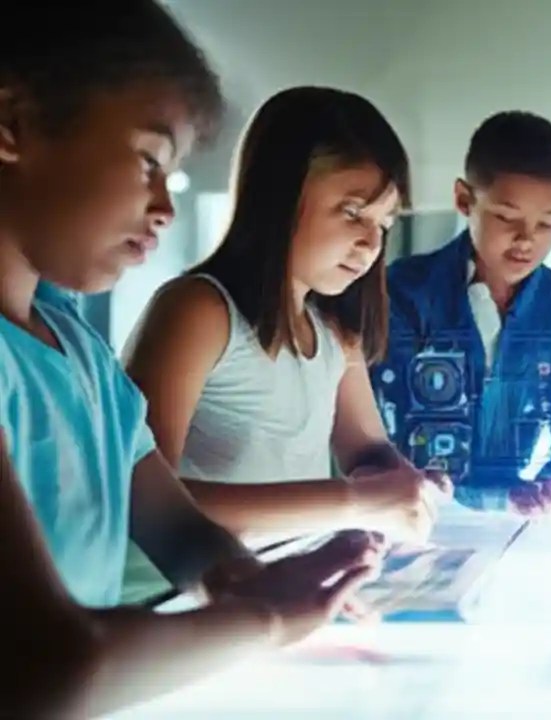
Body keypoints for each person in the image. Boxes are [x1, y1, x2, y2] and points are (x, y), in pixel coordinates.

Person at [0, 2, 382, 715]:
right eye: (148, 161)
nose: (164, 208)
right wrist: (263, 622)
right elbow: (43, 662)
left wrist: (252, 580)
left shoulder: (80, 352)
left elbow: (176, 529)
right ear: (13, 125)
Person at [120, 86, 447, 604]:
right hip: (176, 603)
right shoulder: (198, 311)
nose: (371, 243)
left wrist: (402, 482)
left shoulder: (337, 330)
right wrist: (354, 502)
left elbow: (366, 448)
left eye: (383, 225)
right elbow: (146, 500)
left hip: (280, 590)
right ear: (279, 195)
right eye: (353, 212)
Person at [370, 111, 551, 515]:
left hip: (516, 523)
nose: (526, 241)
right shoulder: (402, 294)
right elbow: (384, 433)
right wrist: (499, 496)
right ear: (464, 200)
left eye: (547, 224)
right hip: (403, 510)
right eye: (506, 218)